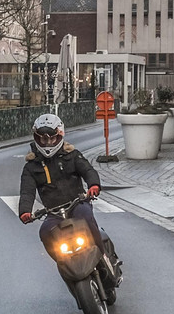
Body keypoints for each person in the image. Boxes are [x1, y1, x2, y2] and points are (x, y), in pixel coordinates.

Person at [17, 113, 121, 285]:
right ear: (36, 138)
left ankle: (102, 257)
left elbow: (88, 170)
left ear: (60, 135)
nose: (47, 143)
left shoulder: (72, 155)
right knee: (44, 232)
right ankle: (64, 264)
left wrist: (93, 185)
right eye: (43, 139)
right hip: (53, 213)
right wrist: (25, 211)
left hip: (77, 203)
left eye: (51, 138)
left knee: (86, 217)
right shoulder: (31, 167)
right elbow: (26, 192)